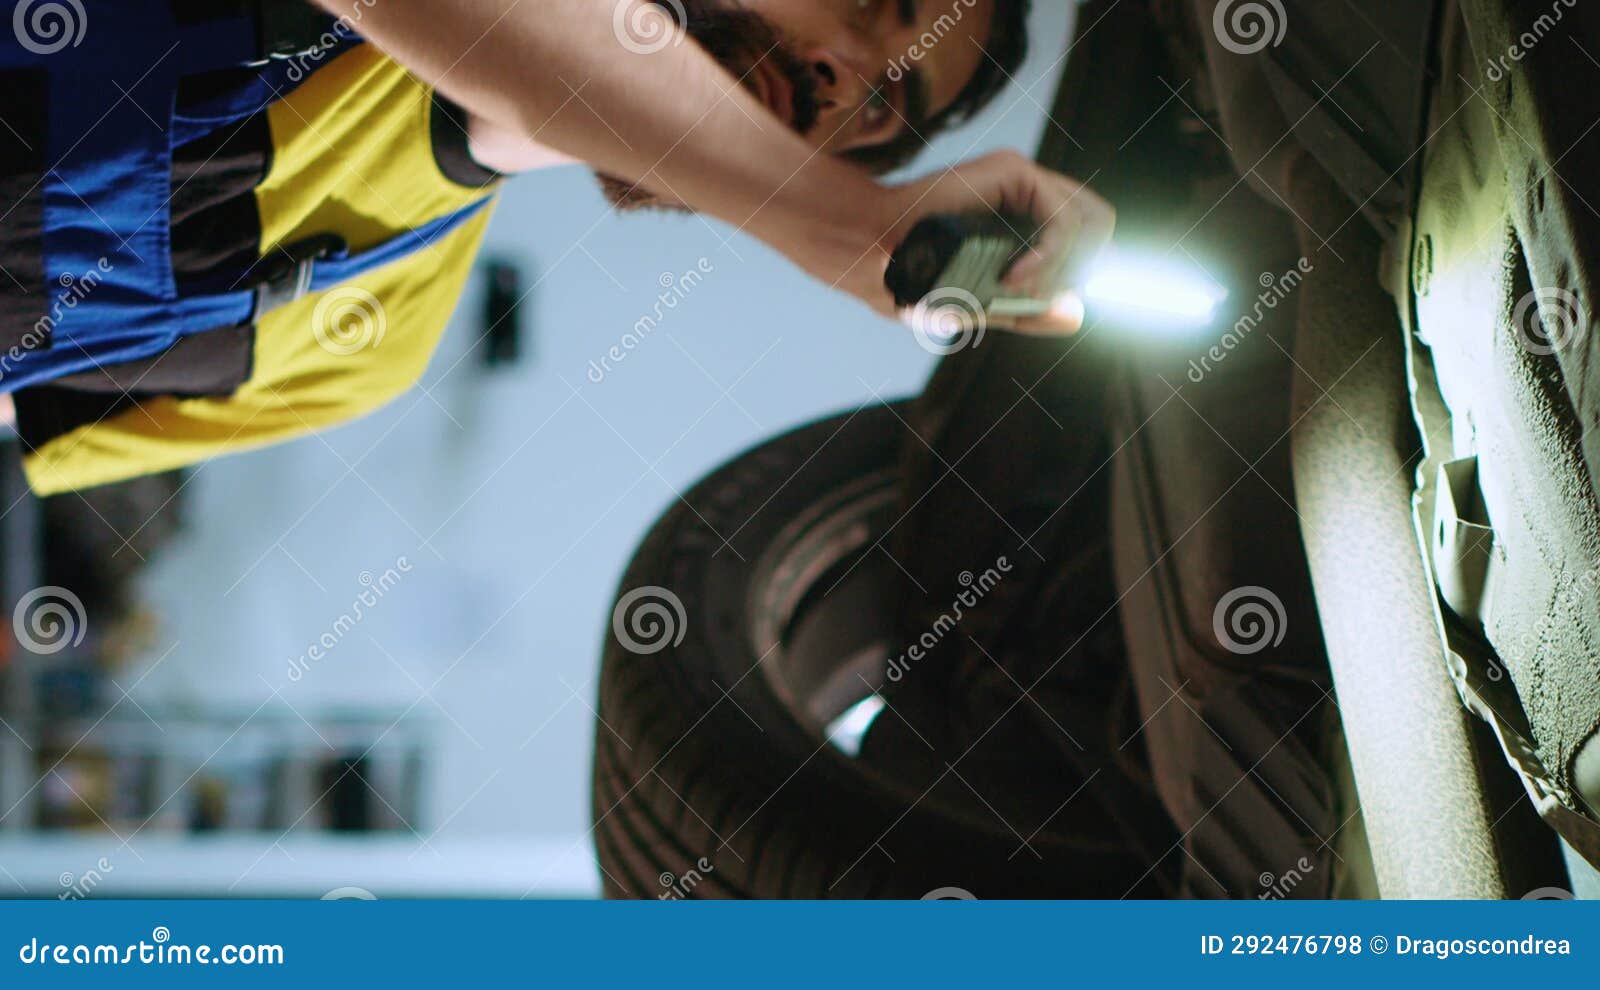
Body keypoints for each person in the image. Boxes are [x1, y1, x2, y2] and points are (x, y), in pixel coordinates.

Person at [0, 0, 1110, 494]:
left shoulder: (365, 345)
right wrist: (838, 218)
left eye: (887, 111)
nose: (851, 77)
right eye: (871, 0)